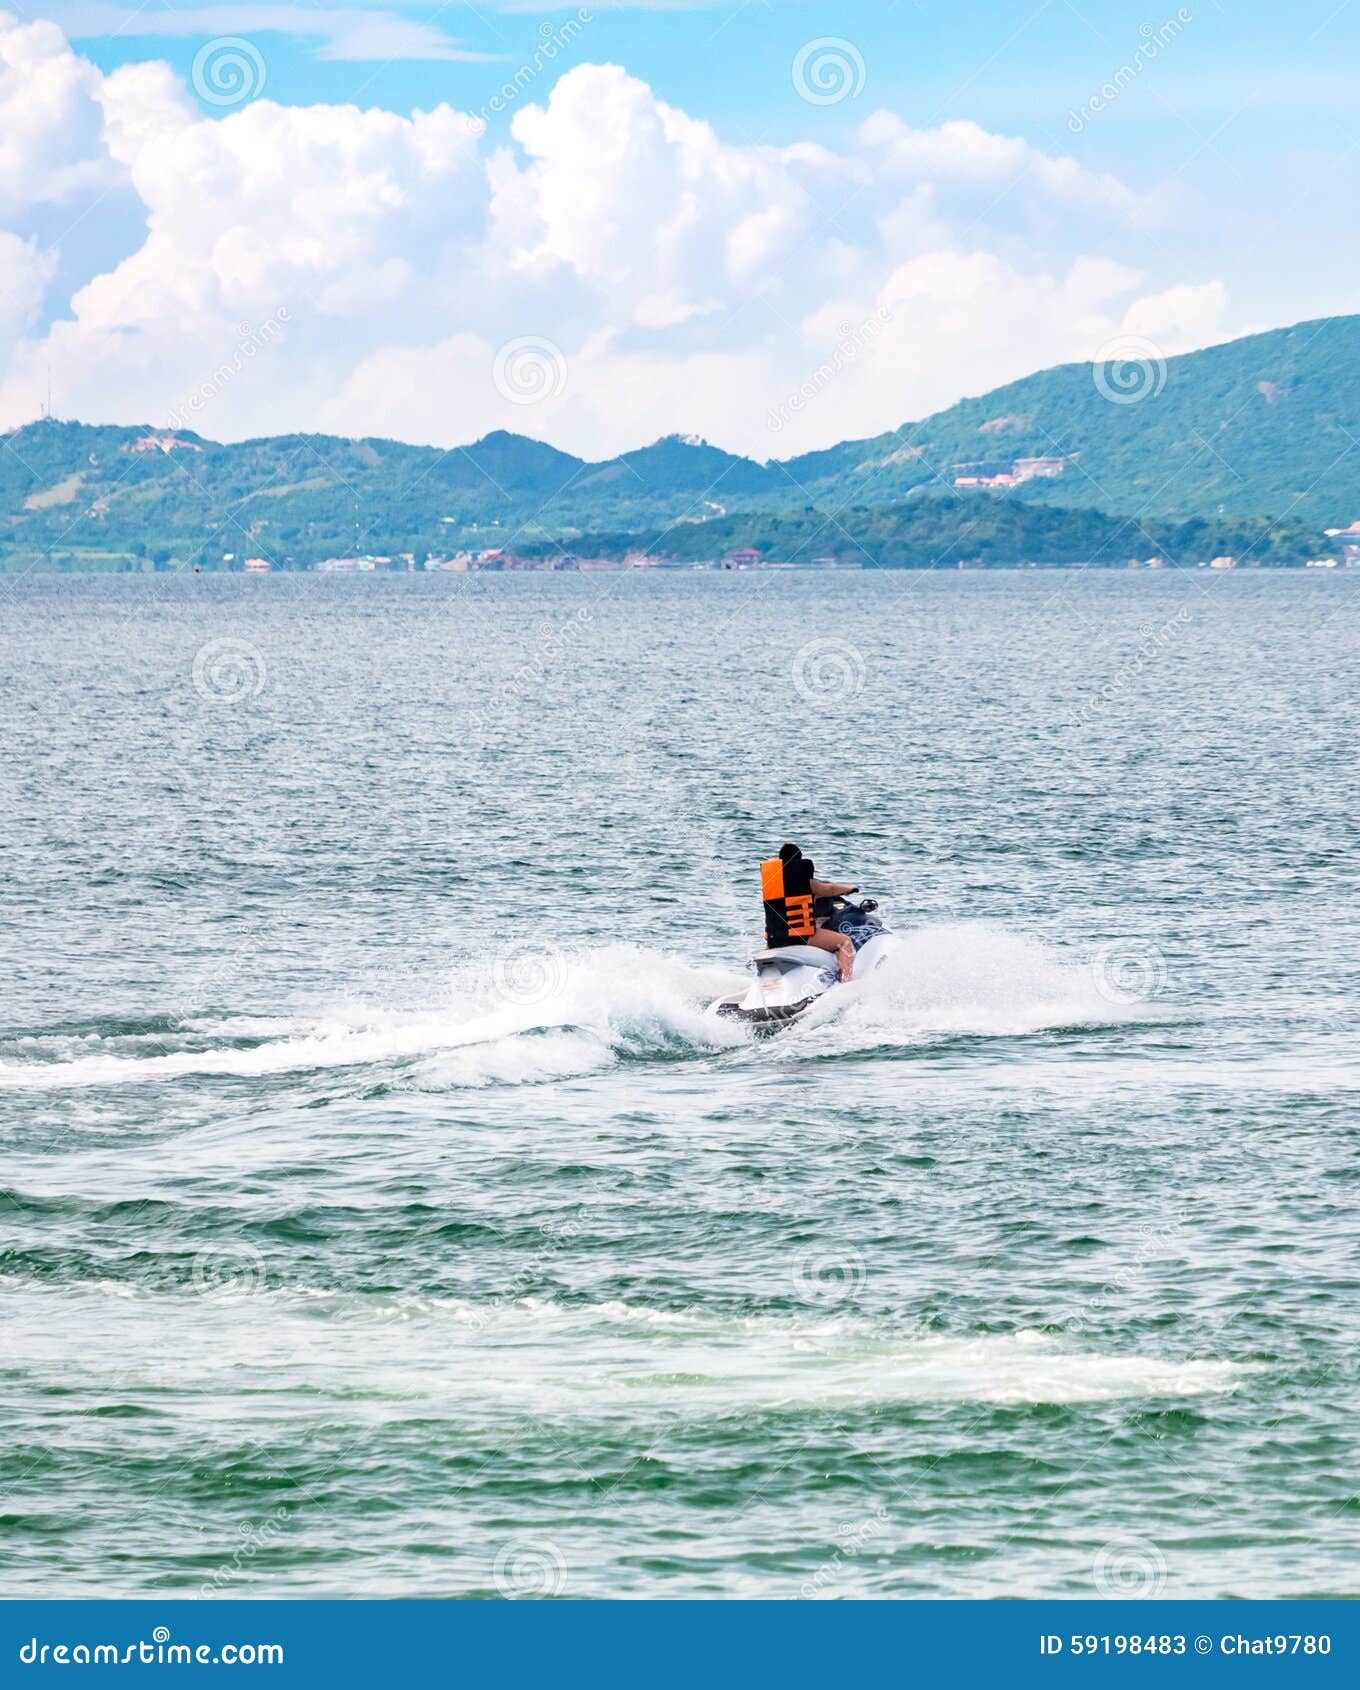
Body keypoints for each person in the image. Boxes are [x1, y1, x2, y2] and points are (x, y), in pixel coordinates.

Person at [759, 842, 860, 981]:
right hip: (800, 937)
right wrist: (849, 889)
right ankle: (847, 982)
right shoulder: (805, 881)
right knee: (845, 942)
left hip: (773, 940)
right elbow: (829, 889)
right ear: (799, 860)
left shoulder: (771, 884)